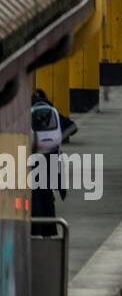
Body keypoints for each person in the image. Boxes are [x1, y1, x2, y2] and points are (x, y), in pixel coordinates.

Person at [30, 91, 67, 237]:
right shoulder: (52, 113)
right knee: (47, 200)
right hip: (50, 161)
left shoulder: (29, 114)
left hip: (32, 163)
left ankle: (36, 231)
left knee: (36, 200)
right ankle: (49, 232)